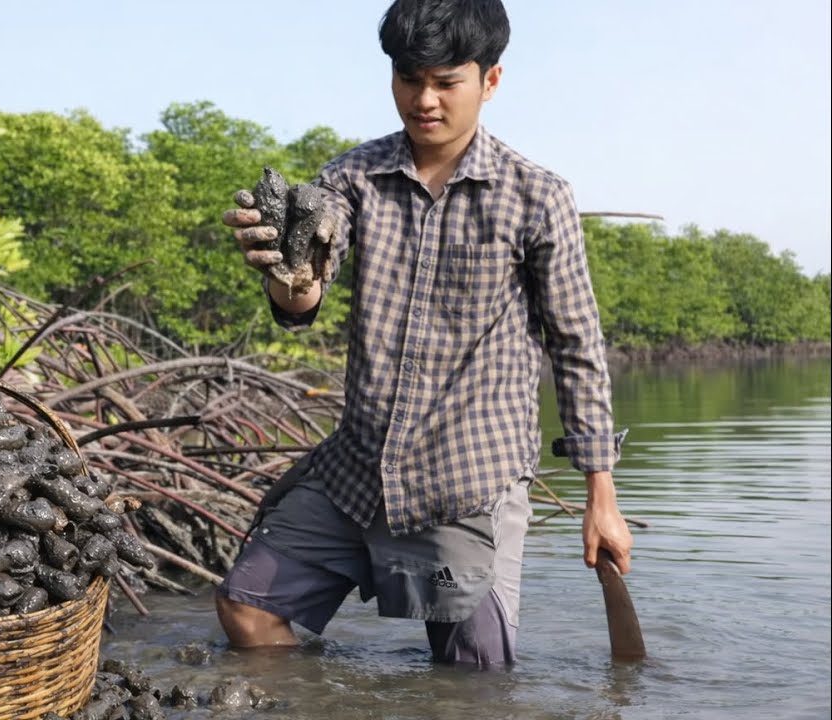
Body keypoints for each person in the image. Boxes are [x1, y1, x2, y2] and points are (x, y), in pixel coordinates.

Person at [216, 0, 634, 666]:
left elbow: (577, 347)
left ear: (490, 81)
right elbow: (307, 288)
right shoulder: (349, 179)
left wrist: (601, 498)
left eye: (446, 82)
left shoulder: (536, 196)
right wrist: (289, 274)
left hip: (466, 479)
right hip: (358, 468)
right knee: (248, 607)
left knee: (474, 677)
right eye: (410, 79)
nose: (424, 100)